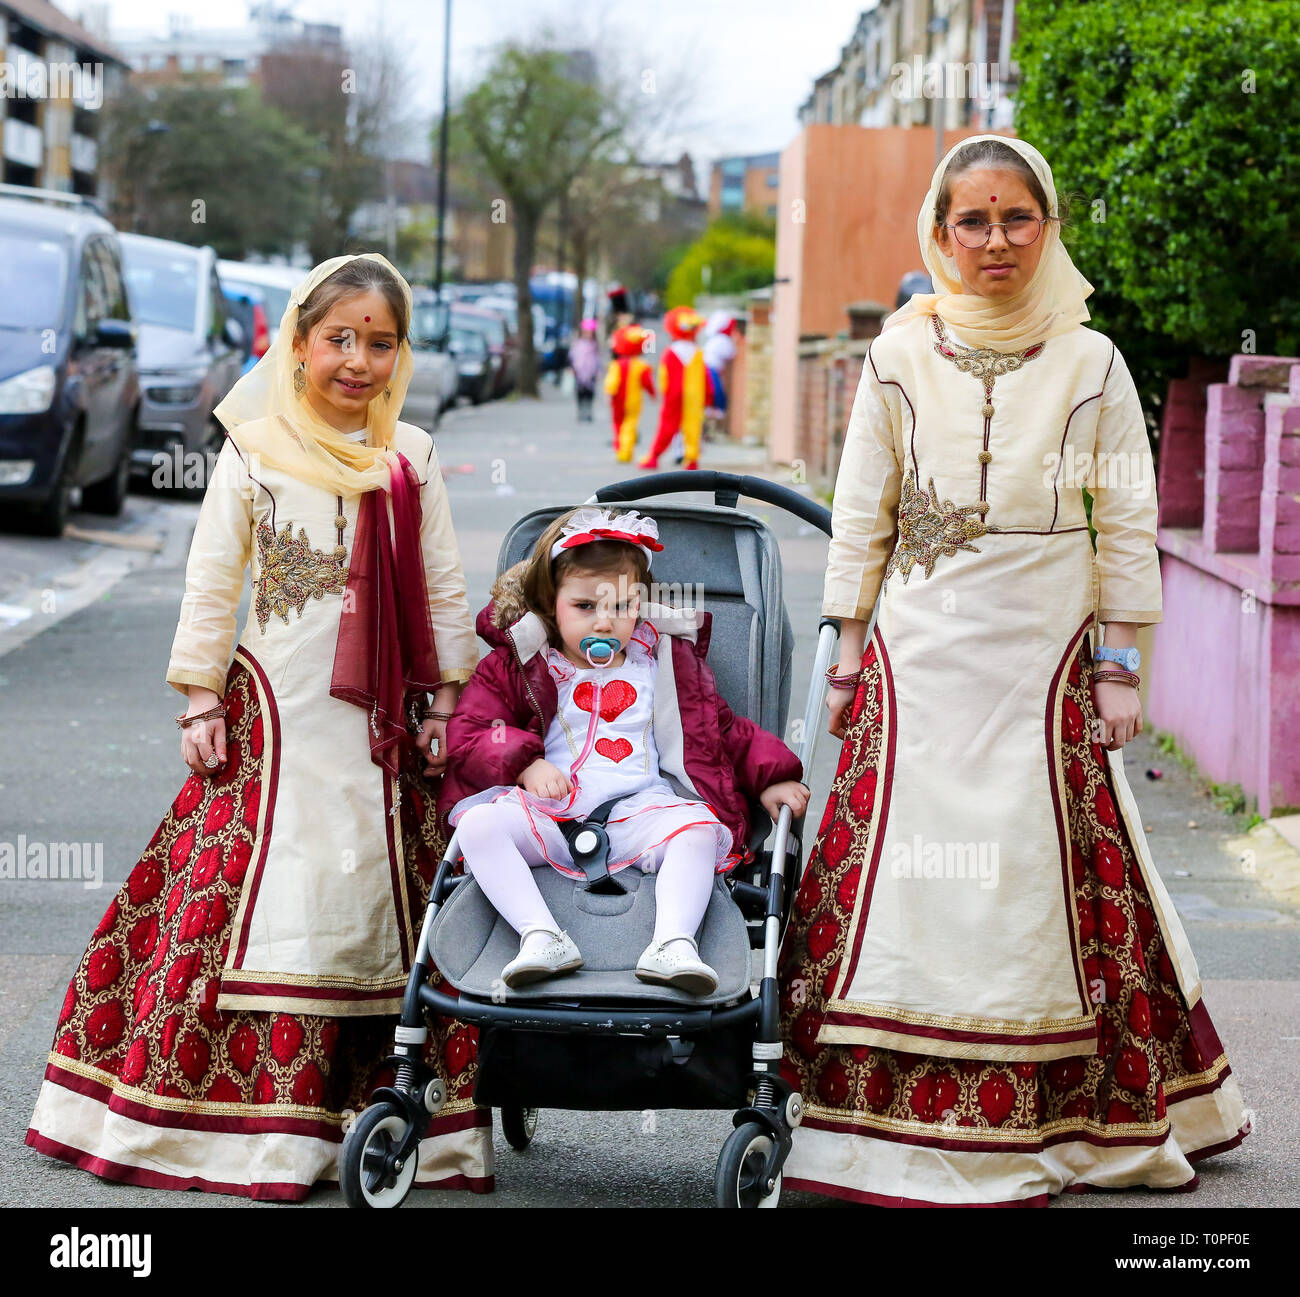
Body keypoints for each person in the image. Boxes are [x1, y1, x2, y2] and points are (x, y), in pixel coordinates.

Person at [778, 136, 1250, 1206]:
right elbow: (863, 511)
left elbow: (1125, 518)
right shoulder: (897, 356)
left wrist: (1121, 665)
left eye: (1016, 219)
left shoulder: (1092, 361)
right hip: (918, 650)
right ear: (938, 234)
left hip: (1042, 652)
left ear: (1048, 225)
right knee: (901, 867)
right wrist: (846, 646)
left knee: (1032, 870)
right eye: (971, 222)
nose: (994, 242)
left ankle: (1069, 1111)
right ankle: (869, 1101)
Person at [25, 254, 494, 1200]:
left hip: (386, 731)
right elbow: (214, 580)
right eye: (339, 339)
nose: (357, 361)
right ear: (298, 341)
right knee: (260, 901)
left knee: (381, 902)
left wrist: (447, 697)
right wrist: (199, 697)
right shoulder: (252, 446)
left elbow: (444, 582)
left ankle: (382, 1114)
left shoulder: (412, 453)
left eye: (380, 342)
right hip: (276, 720)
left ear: (400, 354)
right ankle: (228, 1126)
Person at [438, 507, 809, 994]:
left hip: (640, 810)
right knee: (478, 825)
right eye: (585, 607)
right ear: (552, 605)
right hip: (551, 811)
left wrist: (773, 774)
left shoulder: (659, 664)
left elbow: (719, 729)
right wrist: (525, 763)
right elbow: (472, 729)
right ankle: (540, 934)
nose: (606, 622)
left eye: (622, 606)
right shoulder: (521, 665)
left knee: (697, 831)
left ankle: (674, 942)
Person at [640, 306, 708, 471]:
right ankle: (691, 460)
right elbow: (704, 377)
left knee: (667, 426)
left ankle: (654, 456)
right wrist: (707, 397)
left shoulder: (671, 351)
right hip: (694, 395)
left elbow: (663, 375)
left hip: (673, 394)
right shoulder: (698, 352)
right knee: (693, 427)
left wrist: (663, 392)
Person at [604, 324, 656, 462]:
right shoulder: (642, 365)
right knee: (631, 425)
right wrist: (652, 394)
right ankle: (627, 450)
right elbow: (647, 382)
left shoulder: (616, 364)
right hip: (634, 400)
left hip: (618, 400)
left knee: (618, 425)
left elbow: (612, 382)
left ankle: (621, 450)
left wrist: (609, 394)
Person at [701, 311, 738, 439]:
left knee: (710, 401)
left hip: (710, 370)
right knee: (715, 398)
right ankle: (706, 429)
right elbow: (731, 354)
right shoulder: (722, 340)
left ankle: (706, 429)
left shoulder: (715, 340)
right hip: (711, 371)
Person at [569, 317, 602, 422]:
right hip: (579, 371)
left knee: (590, 393)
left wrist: (598, 371)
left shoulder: (595, 344)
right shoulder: (577, 343)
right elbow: (572, 356)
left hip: (591, 371)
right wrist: (571, 368)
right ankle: (581, 412)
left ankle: (588, 412)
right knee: (580, 393)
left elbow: (598, 359)